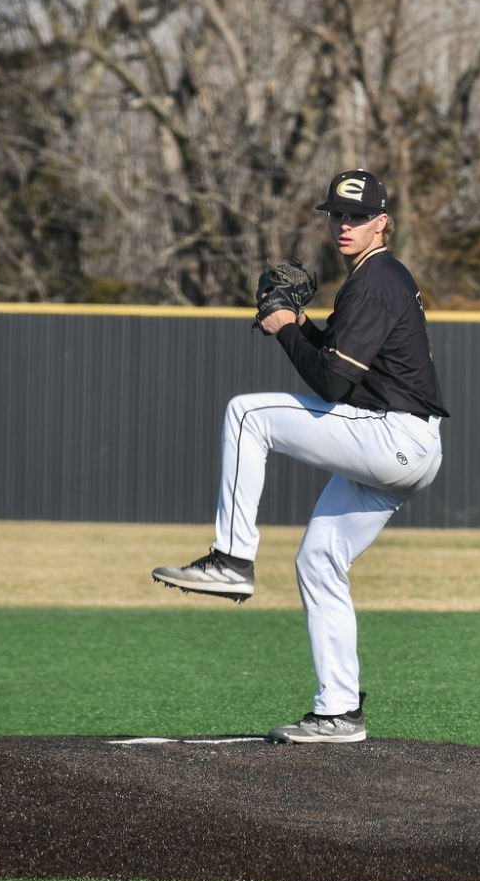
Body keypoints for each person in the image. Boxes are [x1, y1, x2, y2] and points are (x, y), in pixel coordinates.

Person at [151, 169, 448, 744]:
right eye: (337, 214)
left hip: (393, 435)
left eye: (357, 217)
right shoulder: (373, 279)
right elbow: (336, 367)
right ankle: (339, 711)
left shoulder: (375, 279)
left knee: (247, 414)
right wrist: (299, 328)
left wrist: (288, 326)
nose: (344, 225)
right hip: (400, 443)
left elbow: (332, 385)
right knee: (318, 563)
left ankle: (232, 558)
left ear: (382, 223)